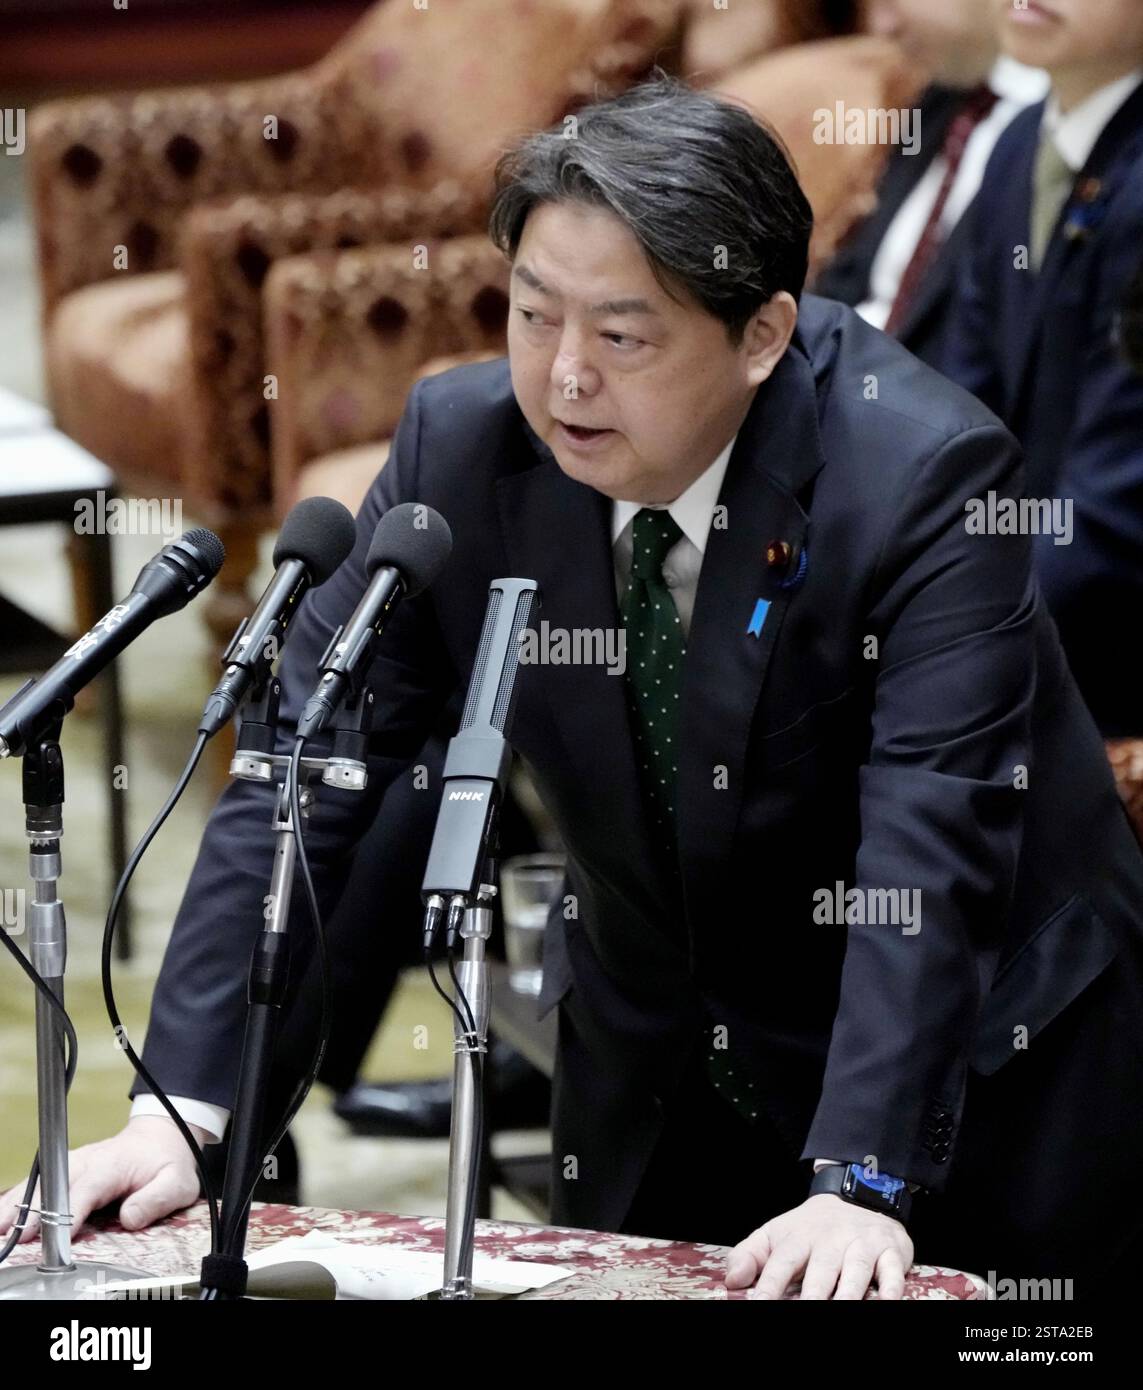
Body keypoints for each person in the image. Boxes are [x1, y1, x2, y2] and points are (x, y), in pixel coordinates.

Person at [5, 75, 1143, 1301]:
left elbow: (929, 844)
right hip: (659, 1062)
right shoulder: (463, 445)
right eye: (532, 315)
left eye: (622, 336)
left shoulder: (925, 481)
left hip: (964, 1077)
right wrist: (192, 1099)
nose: (562, 381)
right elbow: (306, 769)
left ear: (762, 334)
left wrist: (860, 1174)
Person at [941, 0, 1143, 738]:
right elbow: (955, 429)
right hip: (1016, 613)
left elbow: (1115, 514)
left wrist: (948, 637)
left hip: (1108, 652)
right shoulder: (1018, 144)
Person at [812, 0, 1048, 366]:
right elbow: (850, 275)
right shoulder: (943, 99)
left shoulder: (1051, 136)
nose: (881, 27)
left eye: (890, 2)